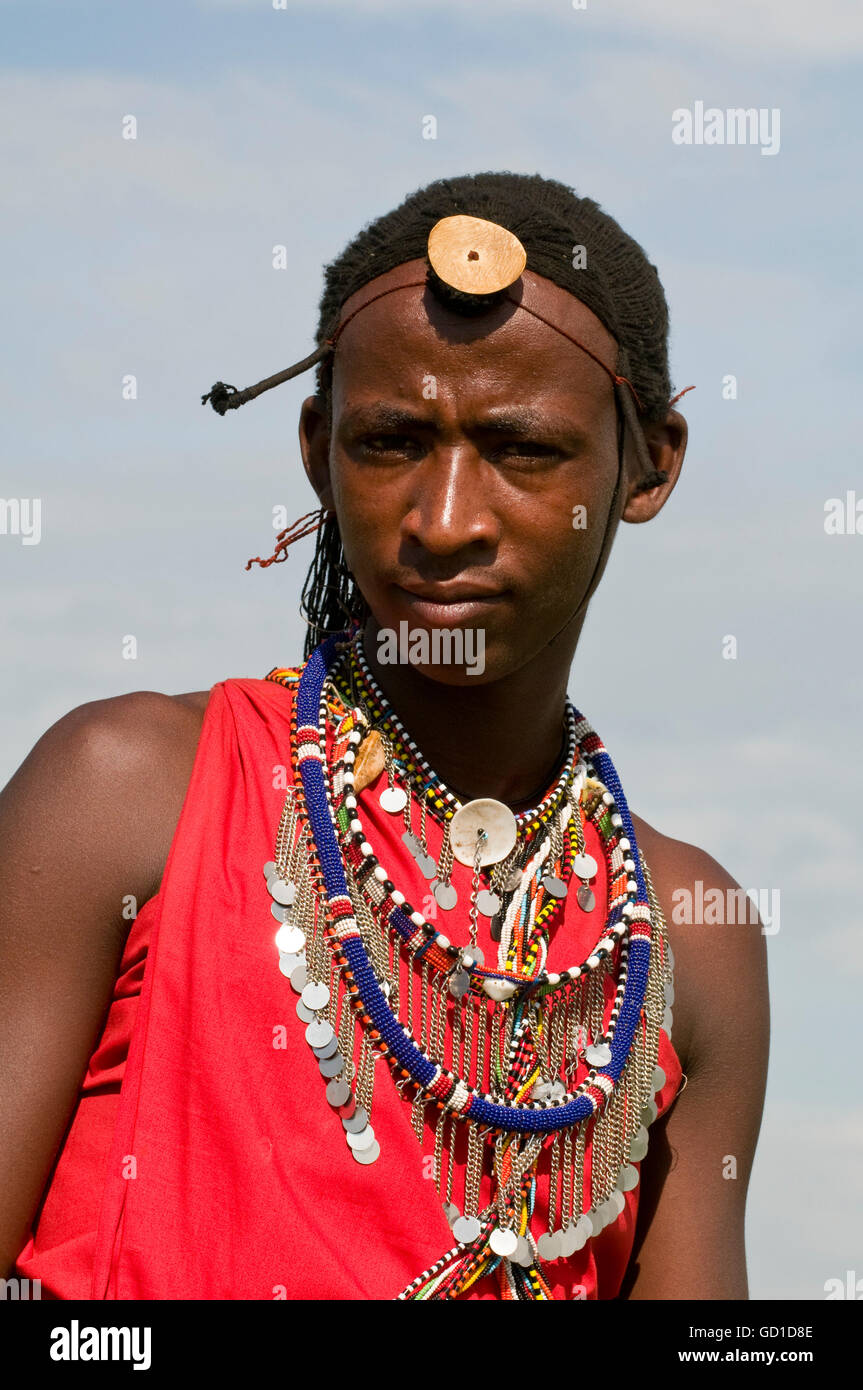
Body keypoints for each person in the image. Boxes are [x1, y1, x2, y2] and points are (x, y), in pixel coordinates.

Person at [0, 172, 769, 1301]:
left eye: (521, 450)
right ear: (316, 449)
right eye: (391, 441)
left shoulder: (683, 943)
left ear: (649, 462)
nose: (443, 518)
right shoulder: (128, 792)